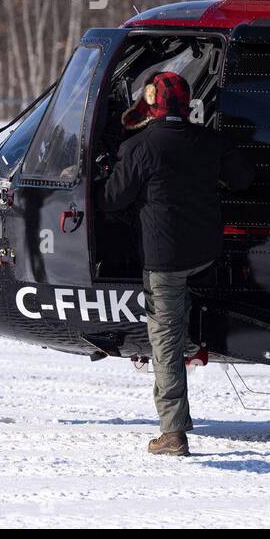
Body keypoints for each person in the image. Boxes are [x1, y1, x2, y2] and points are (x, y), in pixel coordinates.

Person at [100, 71, 254, 456]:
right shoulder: (208, 142)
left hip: (165, 263)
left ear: (152, 104)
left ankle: (172, 433)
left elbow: (112, 200)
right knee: (176, 328)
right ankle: (179, 411)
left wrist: (108, 171)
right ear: (187, 105)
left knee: (165, 342)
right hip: (205, 254)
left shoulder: (139, 147)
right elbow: (242, 179)